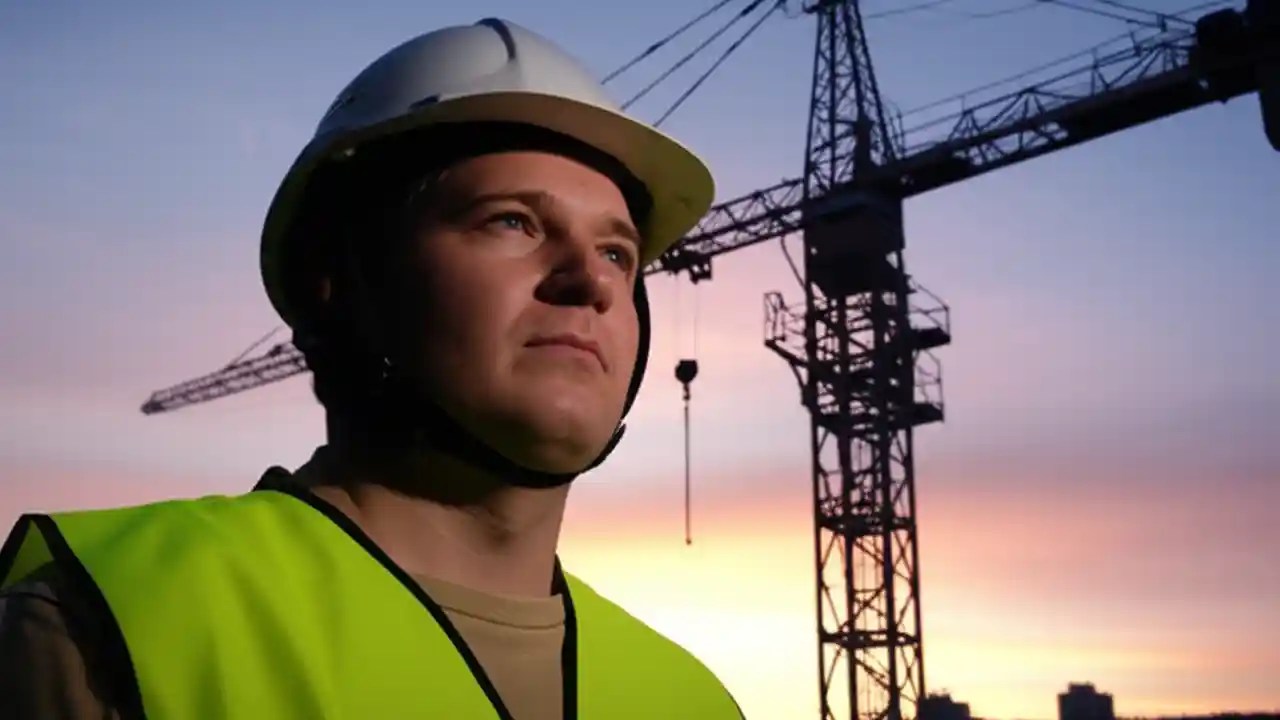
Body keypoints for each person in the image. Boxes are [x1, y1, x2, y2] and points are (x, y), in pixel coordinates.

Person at [0, 18, 745, 719]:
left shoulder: (690, 698)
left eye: (618, 252)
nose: (593, 281)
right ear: (342, 281)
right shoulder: (107, 625)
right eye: (512, 221)